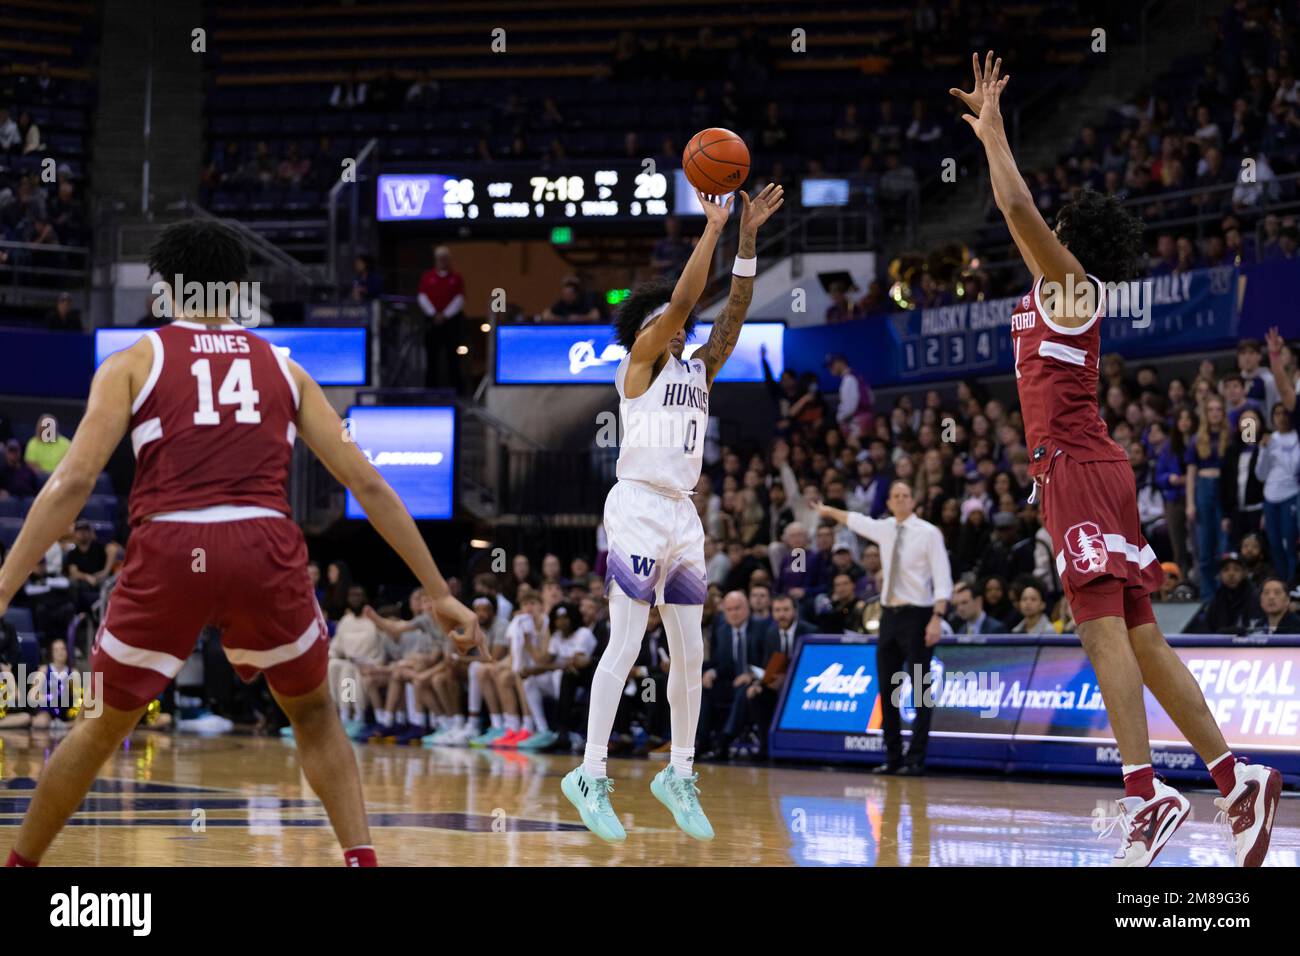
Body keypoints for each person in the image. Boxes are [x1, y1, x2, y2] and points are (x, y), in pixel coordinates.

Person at [0, 219, 484, 869]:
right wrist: (437, 591)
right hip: (262, 544)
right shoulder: (286, 370)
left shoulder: (132, 362)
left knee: (107, 723)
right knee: (314, 716)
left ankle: (20, 866)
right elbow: (365, 482)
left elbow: (72, 482)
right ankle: (363, 862)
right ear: (236, 291)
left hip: (171, 545)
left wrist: (3, 587)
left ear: (164, 292)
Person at [955, 50, 1279, 867]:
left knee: (1099, 637)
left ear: (1074, 241)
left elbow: (1016, 205)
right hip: (1086, 469)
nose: (1044, 232)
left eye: (1056, 231)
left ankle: (1145, 792)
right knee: (1140, 640)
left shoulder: (1074, 287)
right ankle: (1234, 781)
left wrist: (995, 136)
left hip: (1075, 468)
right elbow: (1018, 218)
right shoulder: (1055, 290)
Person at [562, 183, 784, 844]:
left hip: (682, 516)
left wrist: (746, 239)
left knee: (691, 649)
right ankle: (589, 773)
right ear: (647, 329)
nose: (681, 320)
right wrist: (711, 229)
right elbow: (686, 299)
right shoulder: (638, 364)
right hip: (635, 508)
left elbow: (732, 315)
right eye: (666, 316)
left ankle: (679, 772)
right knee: (628, 643)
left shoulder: (699, 367)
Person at [816, 480, 952, 775]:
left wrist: (937, 617)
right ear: (889, 502)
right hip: (889, 617)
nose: (901, 500)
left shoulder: (929, 533)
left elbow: (943, 578)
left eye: (906, 496)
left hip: (919, 615)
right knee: (887, 687)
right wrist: (829, 511)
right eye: (896, 496)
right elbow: (856, 520)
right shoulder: (886, 528)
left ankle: (916, 758)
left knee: (920, 691)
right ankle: (892, 757)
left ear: (913, 500)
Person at [1255, 404, 1300, 584]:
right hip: (1270, 497)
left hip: (1291, 494)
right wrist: (1264, 450)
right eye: (1277, 413)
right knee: (1274, 544)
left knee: (1290, 543)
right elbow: (1260, 474)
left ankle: (1292, 582)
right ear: (1272, 417)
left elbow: (1293, 468)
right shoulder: (1269, 439)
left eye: (1285, 413)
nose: (1281, 417)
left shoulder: (1297, 437)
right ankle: (1280, 583)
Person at [417, 245, 466, 391]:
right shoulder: (428, 277)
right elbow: (422, 296)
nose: (442, 261)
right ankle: (430, 390)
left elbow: (459, 299)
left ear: (449, 260)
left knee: (453, 357)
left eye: (445, 259)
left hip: (450, 322)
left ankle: (456, 391)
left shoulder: (456, 278)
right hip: (432, 322)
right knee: (432, 357)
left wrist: (445, 315)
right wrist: (433, 314)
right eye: (440, 259)